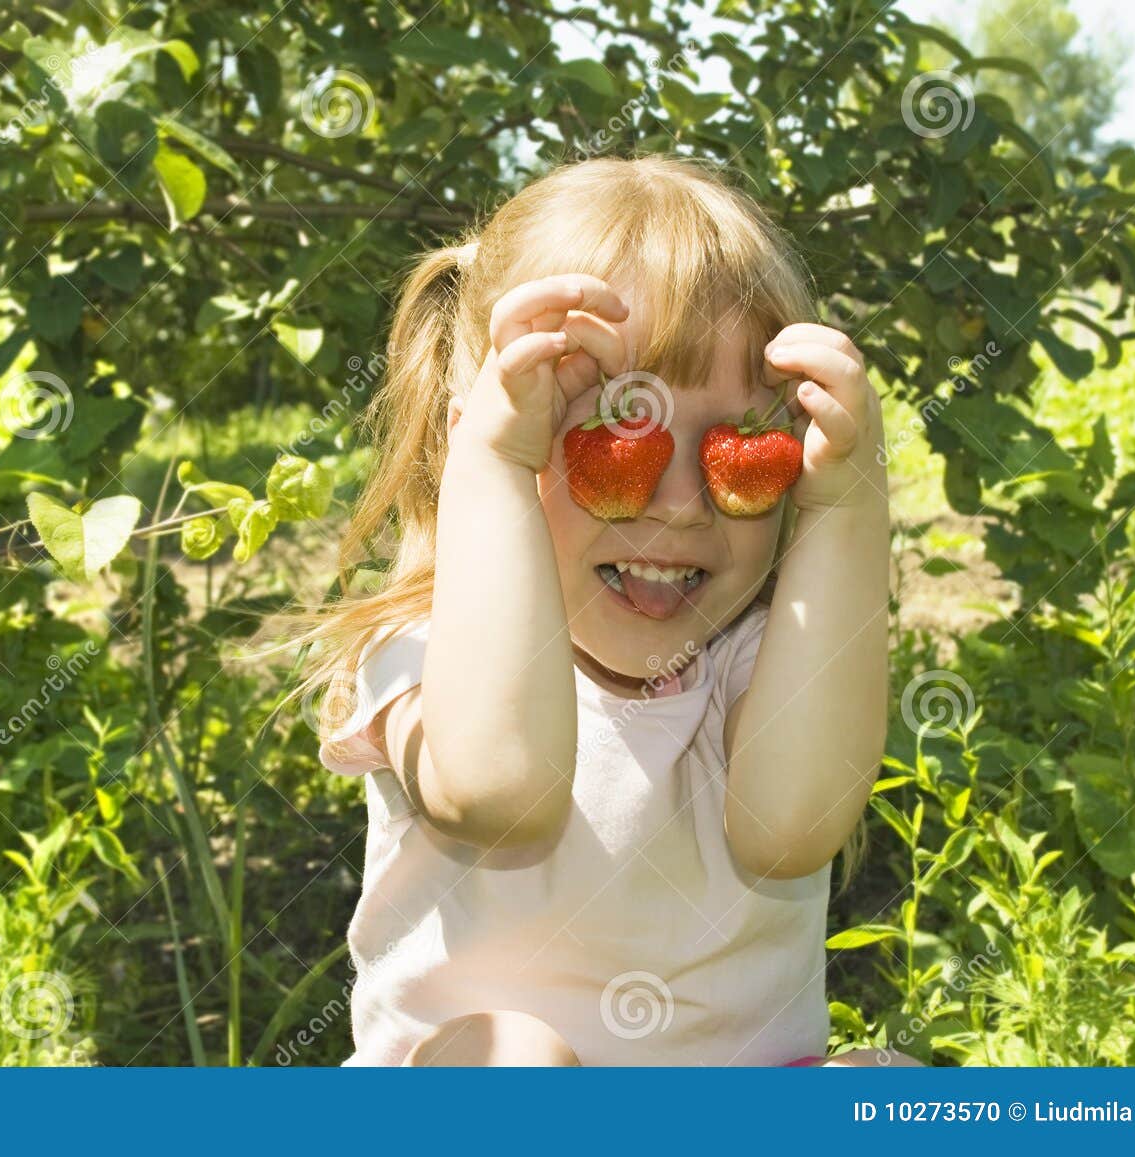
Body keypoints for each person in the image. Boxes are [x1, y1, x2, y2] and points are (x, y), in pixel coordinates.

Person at [295, 155, 906, 1066]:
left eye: (743, 445)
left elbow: (792, 830)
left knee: (888, 1085)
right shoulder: (428, 649)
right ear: (490, 446)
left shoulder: (753, 667)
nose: (681, 505)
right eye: (618, 433)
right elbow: (502, 797)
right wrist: (490, 467)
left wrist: (846, 505)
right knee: (515, 1058)